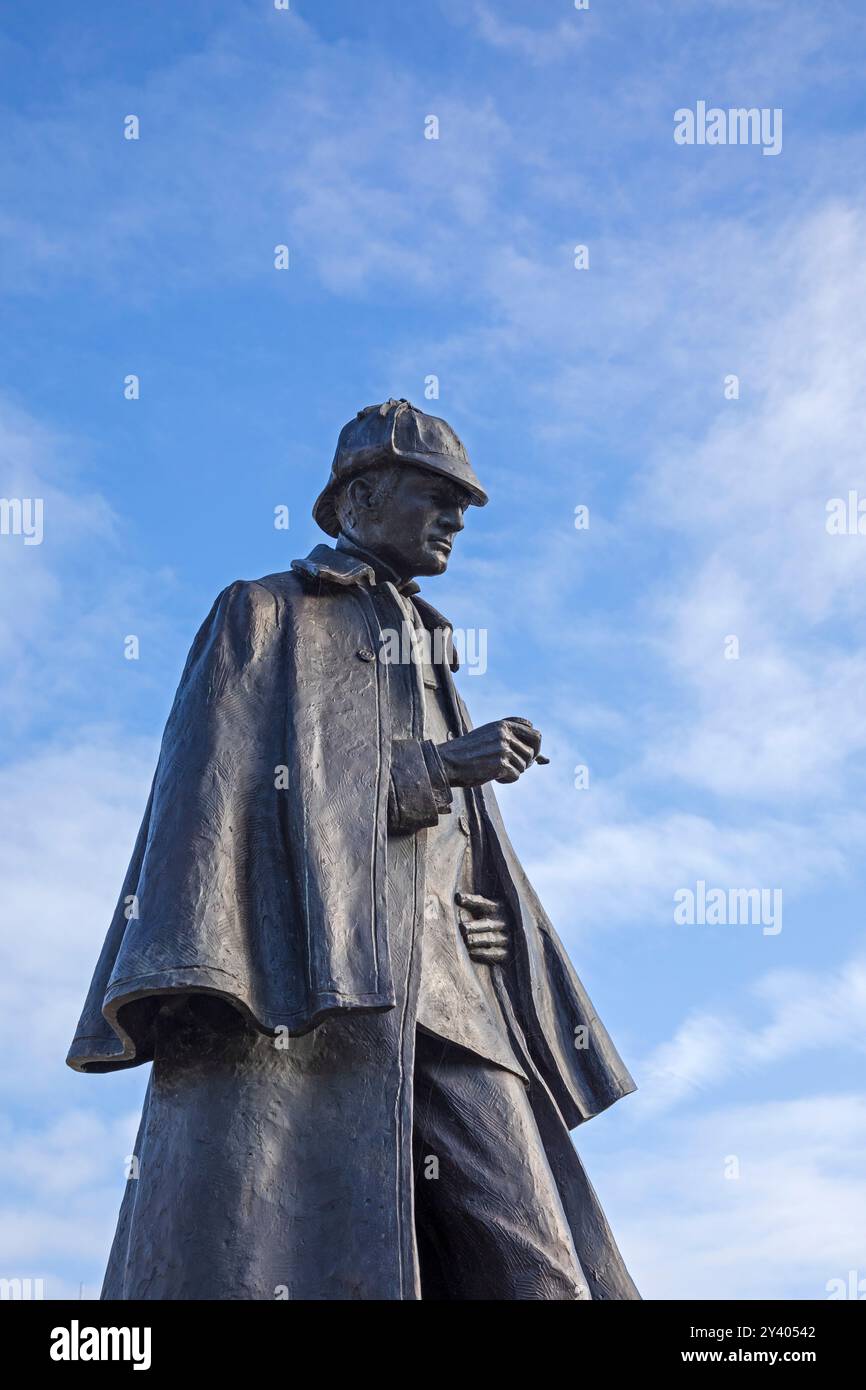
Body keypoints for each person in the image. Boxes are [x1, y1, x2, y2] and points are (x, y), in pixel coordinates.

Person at [68, 398, 639, 1301]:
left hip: (456, 998)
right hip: (321, 990)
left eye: (464, 505)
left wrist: (486, 918)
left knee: (542, 1269)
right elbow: (223, 809)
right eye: (435, 495)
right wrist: (440, 765)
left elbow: (448, 842)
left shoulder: (433, 649)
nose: (456, 519)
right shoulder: (264, 614)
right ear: (362, 496)